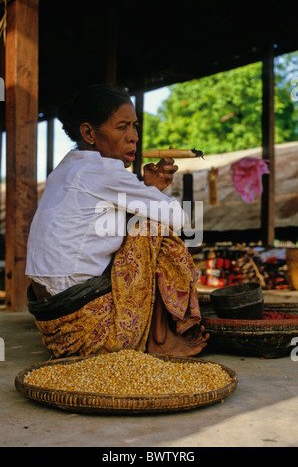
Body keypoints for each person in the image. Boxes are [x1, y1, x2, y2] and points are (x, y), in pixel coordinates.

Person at [26, 84, 209, 359]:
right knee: (154, 229)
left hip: (58, 333)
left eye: (135, 126)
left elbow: (104, 223)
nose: (134, 137)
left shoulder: (69, 168)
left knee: (140, 224)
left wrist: (148, 190)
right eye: (122, 127)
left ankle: (158, 335)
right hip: (91, 331)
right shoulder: (102, 170)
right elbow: (180, 219)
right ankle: (160, 339)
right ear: (89, 133)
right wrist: (150, 194)